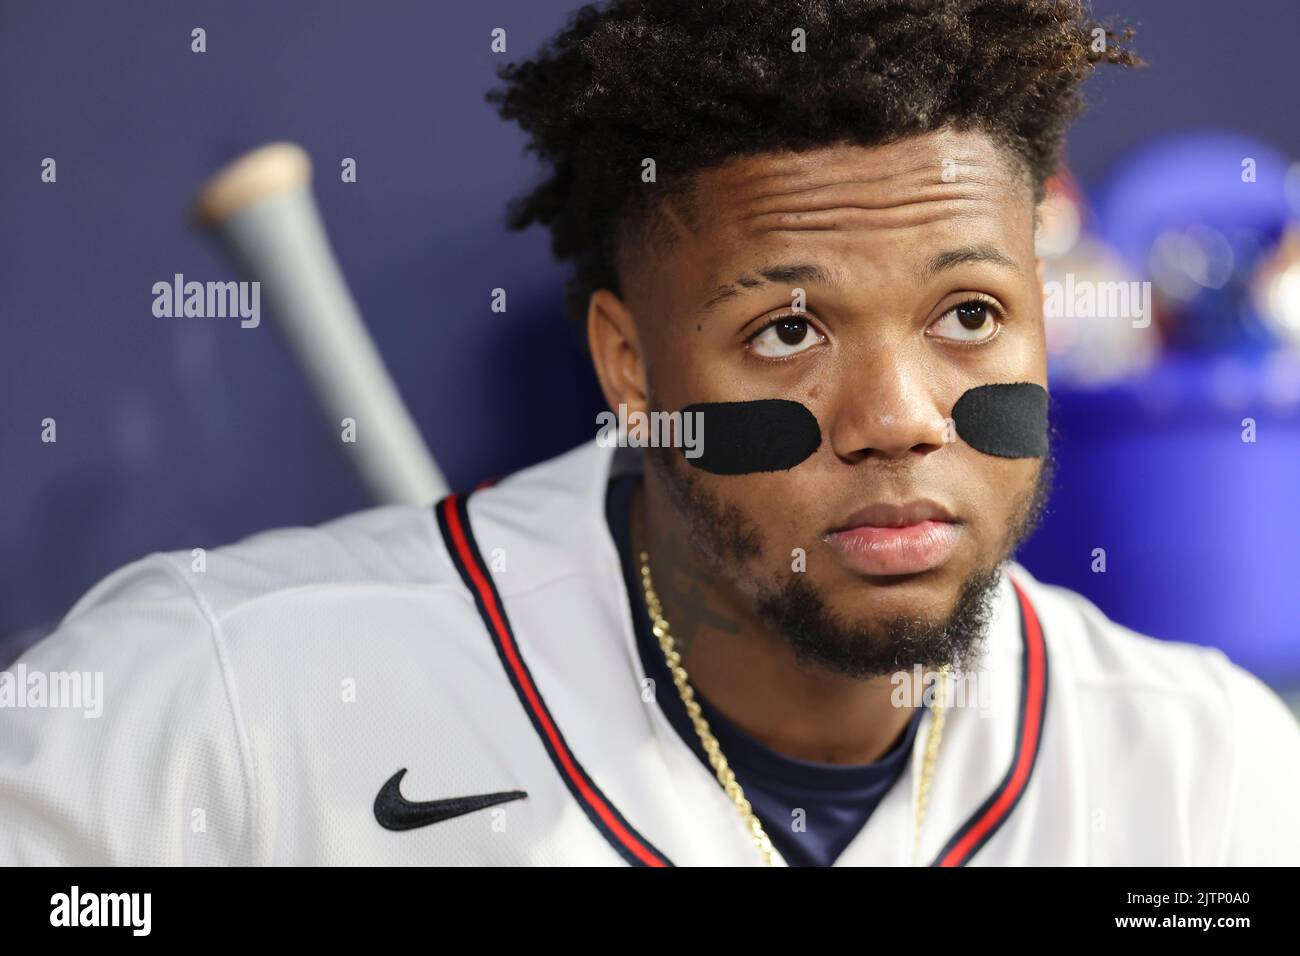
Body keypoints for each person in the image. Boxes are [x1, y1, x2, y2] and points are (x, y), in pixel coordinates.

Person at [3, 0, 1297, 866]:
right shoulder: (216, 702)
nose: (900, 419)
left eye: (969, 312)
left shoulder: (1207, 778)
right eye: (788, 332)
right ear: (630, 364)